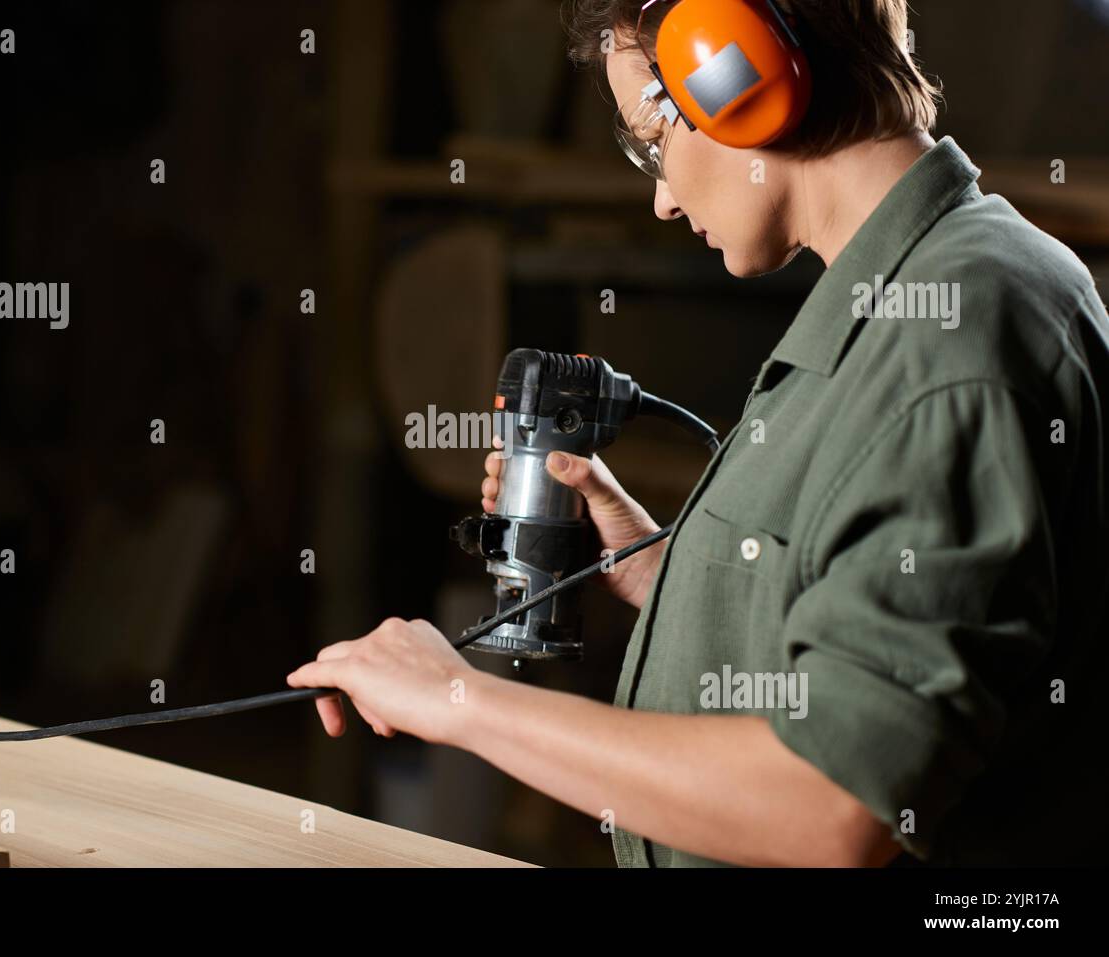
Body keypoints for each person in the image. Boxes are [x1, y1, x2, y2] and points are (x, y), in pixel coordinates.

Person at [288, 0, 1109, 866]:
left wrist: (458, 700)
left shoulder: (953, 333)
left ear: (738, 75)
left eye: (651, 140)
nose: (663, 198)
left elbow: (832, 800)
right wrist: (670, 574)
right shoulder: (912, 297)